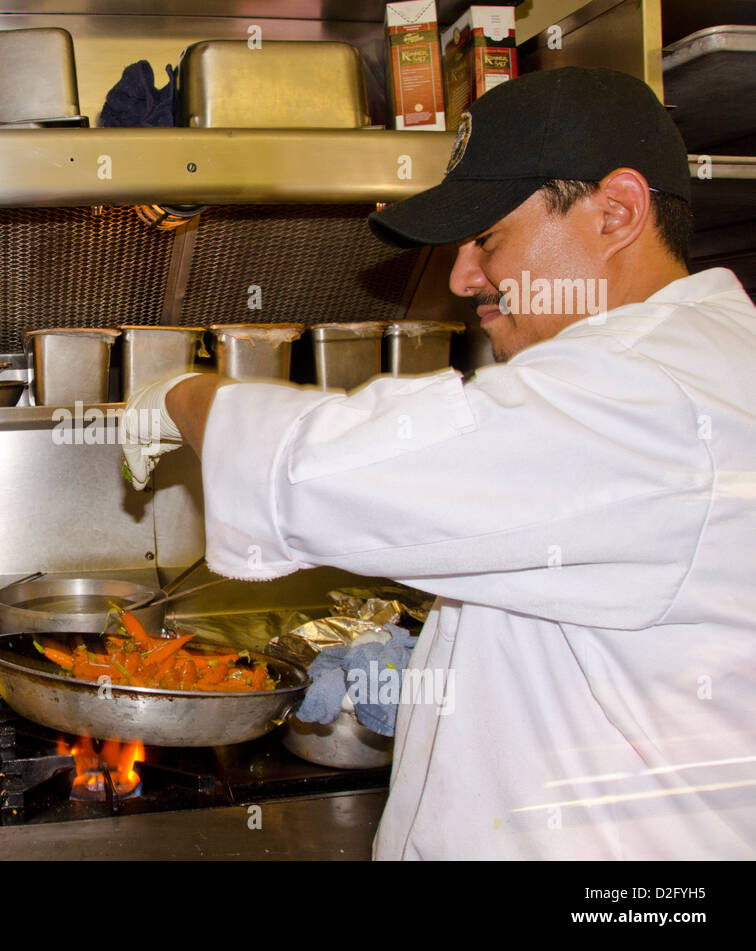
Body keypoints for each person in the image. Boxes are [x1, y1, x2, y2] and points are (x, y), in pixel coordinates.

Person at [120, 67, 756, 859]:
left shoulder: (648, 391)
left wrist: (181, 391)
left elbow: (314, 471)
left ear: (617, 212)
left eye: (487, 237)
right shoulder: (694, 365)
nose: (461, 278)